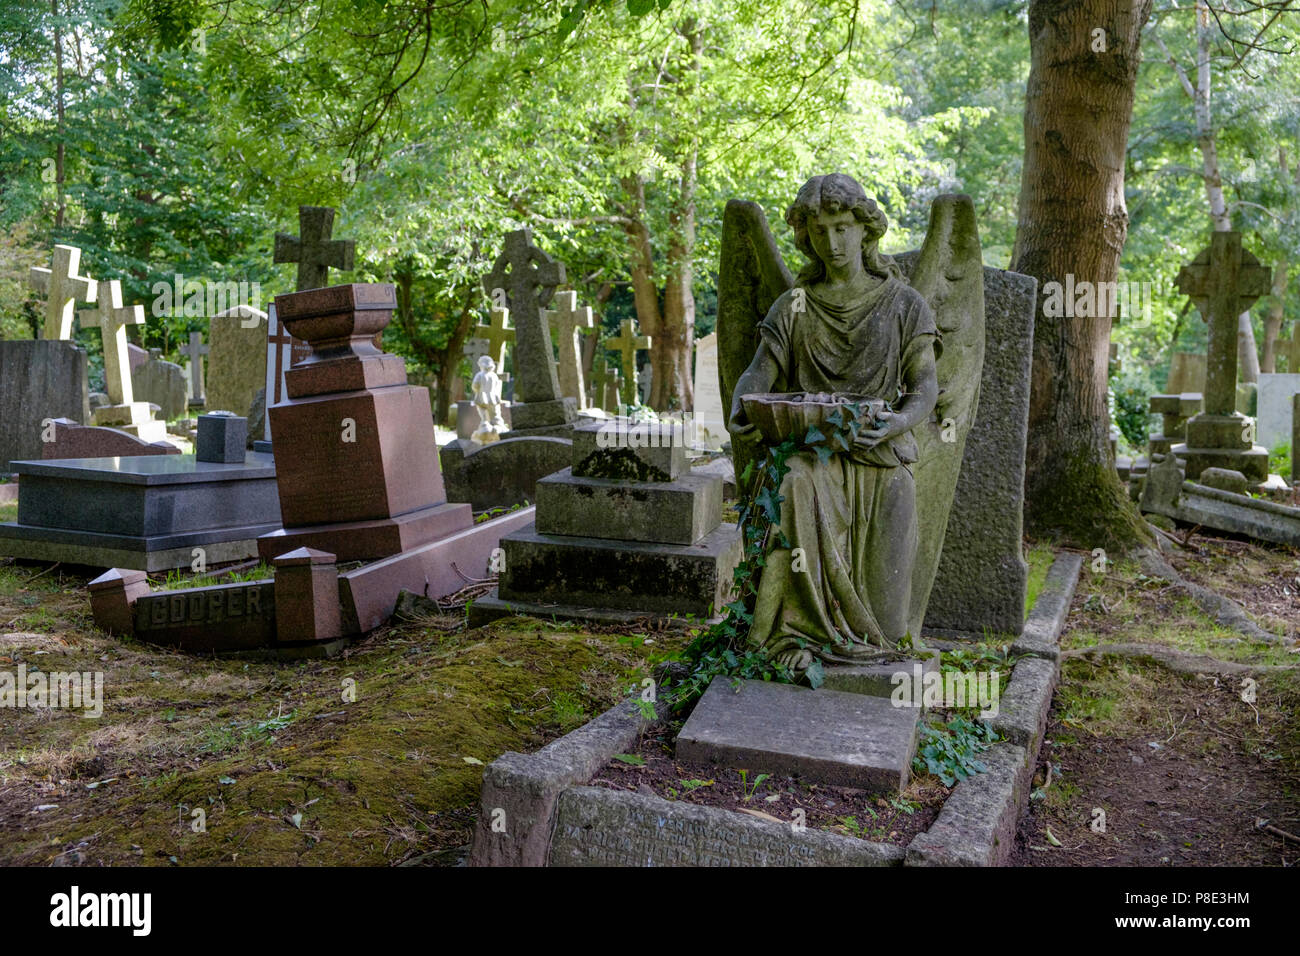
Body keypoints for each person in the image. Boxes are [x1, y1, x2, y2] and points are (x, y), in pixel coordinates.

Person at [727, 173, 940, 671]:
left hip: (883, 461)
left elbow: (925, 386)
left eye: (842, 227)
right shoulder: (796, 306)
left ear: (866, 229)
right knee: (794, 480)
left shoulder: (904, 305)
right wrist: (741, 409)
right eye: (819, 231)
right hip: (814, 461)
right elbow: (757, 374)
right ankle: (798, 634)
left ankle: (866, 641)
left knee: (886, 631)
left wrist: (894, 423)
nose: (832, 242)